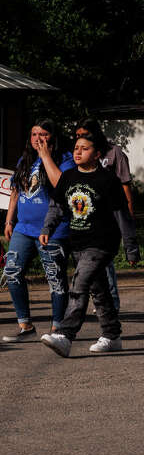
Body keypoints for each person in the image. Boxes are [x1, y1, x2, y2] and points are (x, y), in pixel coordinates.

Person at [39, 129, 139, 357]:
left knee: (79, 285)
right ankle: (112, 335)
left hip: (102, 243)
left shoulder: (107, 180)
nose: (78, 152)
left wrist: (131, 248)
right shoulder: (68, 177)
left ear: (97, 154)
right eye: (76, 148)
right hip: (78, 243)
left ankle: (65, 335)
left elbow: (122, 215)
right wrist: (47, 229)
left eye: (85, 149)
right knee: (99, 289)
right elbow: (56, 206)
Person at [0, 120, 72, 341]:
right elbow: (15, 191)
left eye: (43, 134)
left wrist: (46, 157)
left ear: (53, 137)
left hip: (53, 229)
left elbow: (61, 185)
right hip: (23, 228)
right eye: (33, 134)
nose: (37, 139)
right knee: (12, 271)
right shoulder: (25, 160)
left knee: (55, 278)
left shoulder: (65, 159)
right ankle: (25, 325)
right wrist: (9, 220)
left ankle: (57, 328)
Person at [76, 119, 137, 312]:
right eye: (77, 136)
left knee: (105, 262)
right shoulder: (79, 153)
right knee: (92, 264)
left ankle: (111, 305)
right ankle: (102, 302)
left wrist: (127, 214)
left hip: (109, 215)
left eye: (84, 135)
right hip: (86, 214)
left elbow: (125, 184)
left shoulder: (113, 152)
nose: (79, 139)